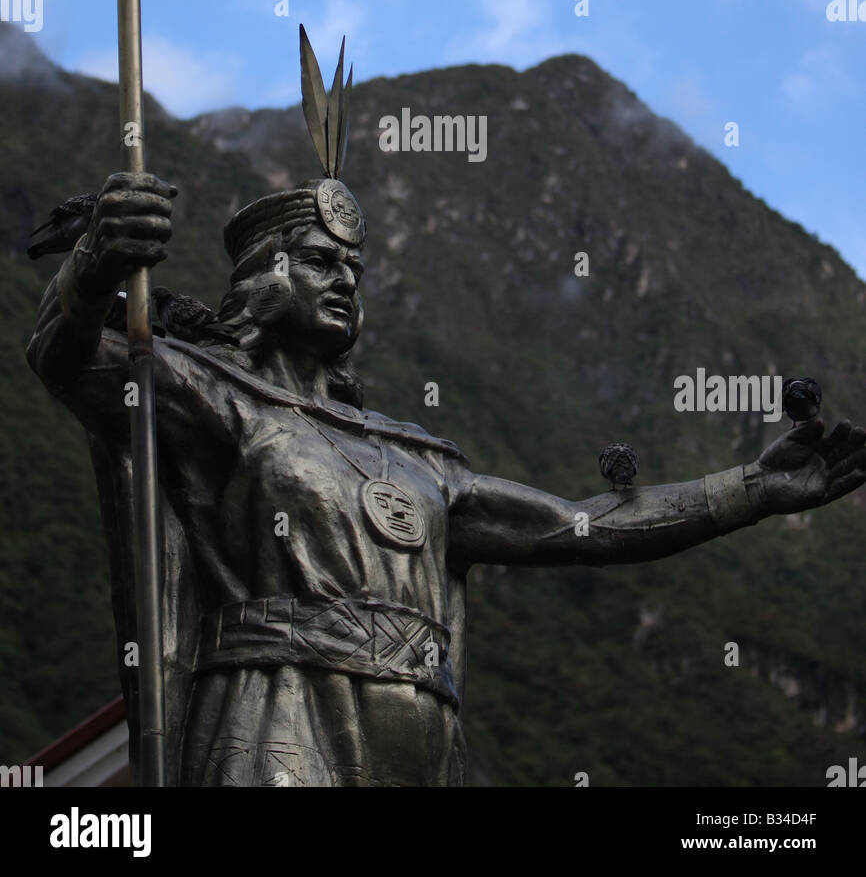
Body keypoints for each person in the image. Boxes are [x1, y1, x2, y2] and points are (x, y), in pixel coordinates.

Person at [26, 38, 866, 788]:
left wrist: (752, 488)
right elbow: (65, 360)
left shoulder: (418, 455)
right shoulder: (214, 396)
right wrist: (97, 264)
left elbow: (586, 527)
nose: (346, 280)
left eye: (354, 267)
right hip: (276, 710)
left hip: (421, 735)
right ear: (265, 278)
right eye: (320, 262)